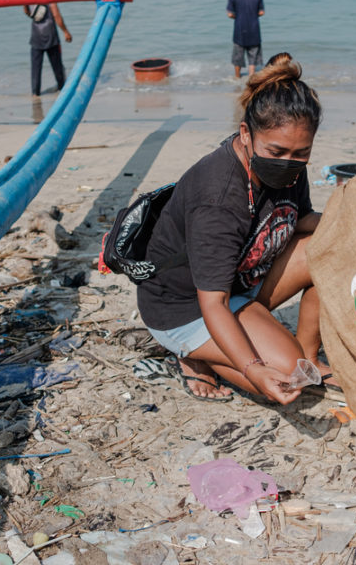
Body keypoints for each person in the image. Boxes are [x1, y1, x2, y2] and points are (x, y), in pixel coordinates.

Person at [136, 54, 329, 405]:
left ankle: (310, 356)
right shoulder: (219, 197)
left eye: (302, 153)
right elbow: (214, 301)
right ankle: (195, 355)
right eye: (277, 151)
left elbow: (298, 219)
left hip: (240, 281)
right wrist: (253, 368)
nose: (289, 163)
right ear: (245, 134)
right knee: (287, 377)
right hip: (185, 306)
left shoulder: (290, 169)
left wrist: (350, 221)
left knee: (331, 245)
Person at [23, 0, 72, 97]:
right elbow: (56, 14)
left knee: (36, 67)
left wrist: (35, 16)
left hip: (36, 35)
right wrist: (66, 31)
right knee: (57, 65)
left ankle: (35, 93)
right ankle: (62, 89)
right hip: (50, 34)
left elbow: (26, 10)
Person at [226, 0, 265, 78]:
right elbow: (261, 12)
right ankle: (251, 77)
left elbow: (230, 14)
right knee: (252, 58)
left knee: (237, 57)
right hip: (254, 30)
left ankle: (237, 77)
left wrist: (237, 16)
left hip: (239, 30)